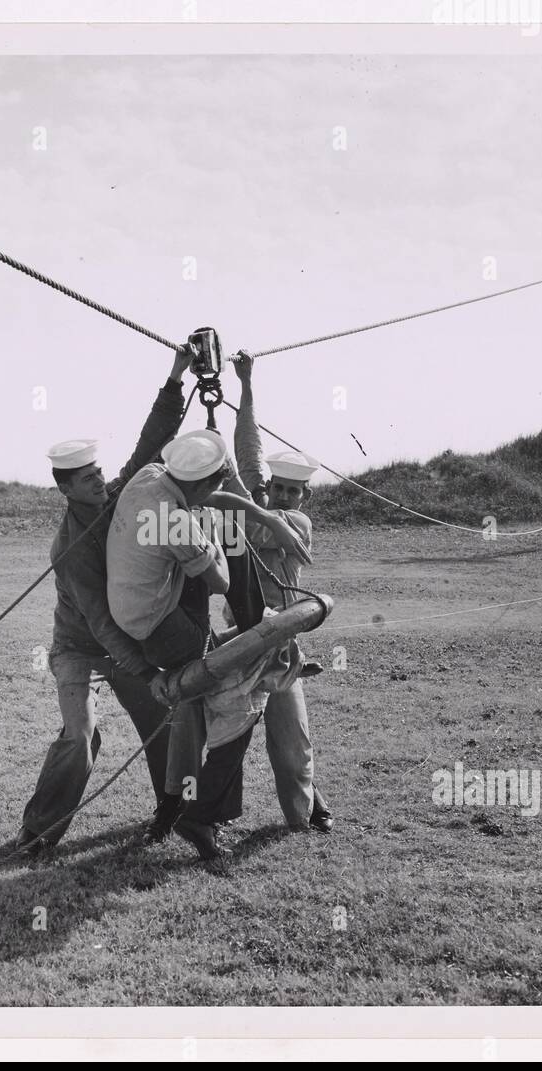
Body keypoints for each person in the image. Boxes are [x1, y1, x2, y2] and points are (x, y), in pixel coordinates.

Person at [14, 345, 193, 858]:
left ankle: (170, 811)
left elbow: (150, 445)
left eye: (99, 471)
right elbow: (100, 620)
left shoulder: (117, 497)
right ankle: (38, 834)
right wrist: (146, 667)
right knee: (80, 737)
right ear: (66, 490)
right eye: (88, 477)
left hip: (124, 645)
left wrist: (176, 377)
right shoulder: (69, 548)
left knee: (165, 720)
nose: (101, 479)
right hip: (82, 651)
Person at [107, 427, 311, 864]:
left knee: (205, 704)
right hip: (169, 634)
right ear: (201, 485)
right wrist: (215, 537)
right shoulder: (179, 522)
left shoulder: (149, 477)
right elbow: (220, 581)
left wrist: (267, 518)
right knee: (240, 699)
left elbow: (215, 500)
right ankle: (198, 814)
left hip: (138, 617)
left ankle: (190, 808)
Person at [228, 350, 334, 834]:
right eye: (279, 490)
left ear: (304, 497)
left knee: (292, 740)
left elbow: (254, 515)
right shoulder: (260, 504)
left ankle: (306, 809)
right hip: (239, 638)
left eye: (295, 492)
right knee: (225, 736)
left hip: (282, 643)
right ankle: (206, 813)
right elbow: (248, 448)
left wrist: (232, 487)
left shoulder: (293, 523)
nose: (285, 498)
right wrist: (245, 385)